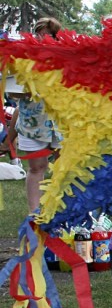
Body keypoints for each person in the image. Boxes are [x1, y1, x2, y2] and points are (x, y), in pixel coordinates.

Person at [6, 18, 63, 213]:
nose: (42, 37)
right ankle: (34, 214)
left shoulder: (65, 59)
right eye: (39, 32)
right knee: (37, 167)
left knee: (64, 168)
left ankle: (61, 211)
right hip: (32, 123)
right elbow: (13, 94)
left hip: (59, 123)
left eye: (47, 33)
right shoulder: (23, 59)